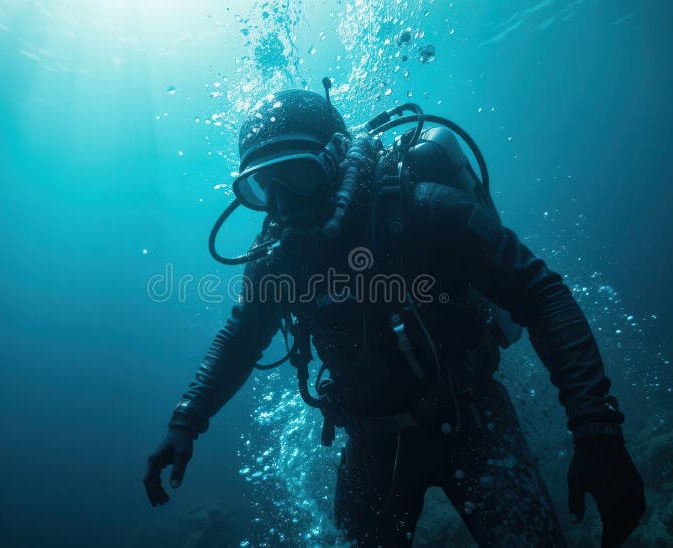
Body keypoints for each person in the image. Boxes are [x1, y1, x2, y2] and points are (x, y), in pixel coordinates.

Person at [143, 87, 645, 547]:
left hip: (472, 420)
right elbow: (241, 338)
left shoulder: (424, 209)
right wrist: (186, 421)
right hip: (372, 444)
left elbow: (540, 293)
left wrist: (596, 427)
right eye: (262, 188)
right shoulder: (278, 259)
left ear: (335, 159)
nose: (283, 205)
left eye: (297, 175)